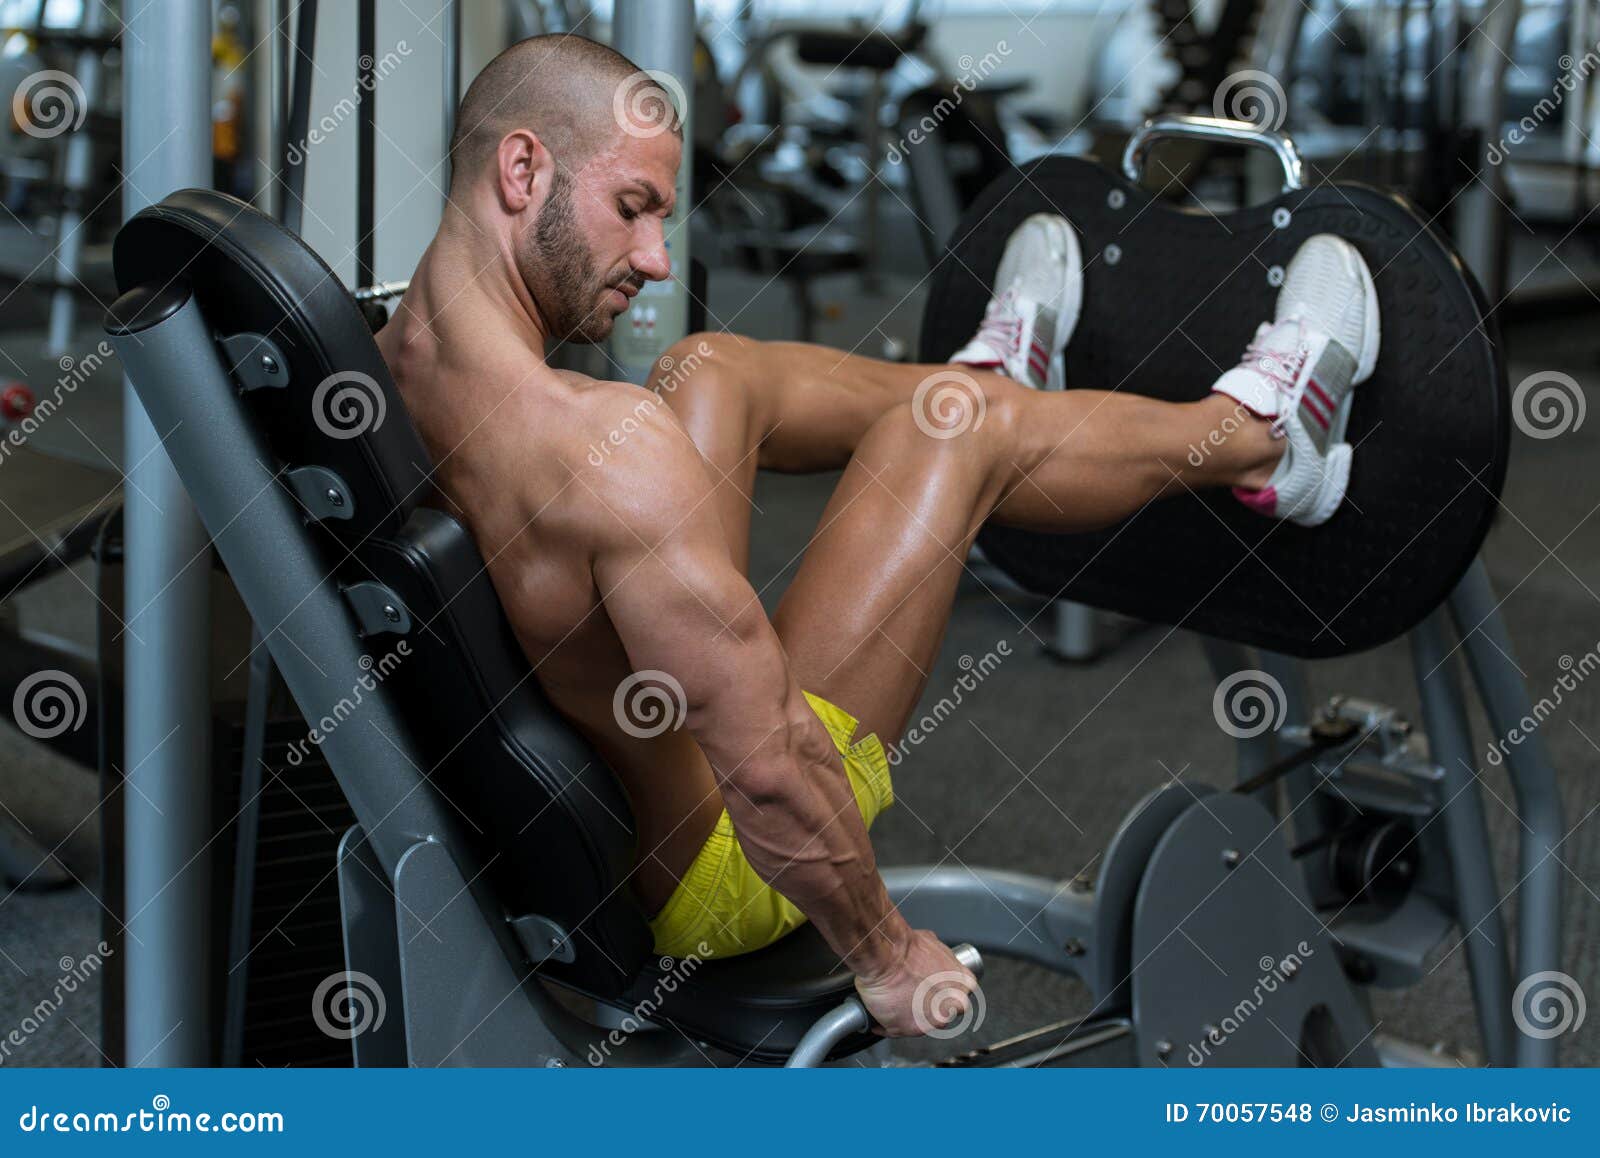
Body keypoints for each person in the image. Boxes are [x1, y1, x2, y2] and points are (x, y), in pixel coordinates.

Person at [374, 34, 1379, 1038]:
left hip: (604, 800)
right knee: (950, 430)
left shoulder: (381, 362)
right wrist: (888, 955)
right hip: (720, 866)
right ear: (522, 169)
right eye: (632, 208)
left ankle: (1009, 391)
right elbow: (766, 775)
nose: (654, 258)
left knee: (709, 366)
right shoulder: (597, 449)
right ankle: (1263, 442)